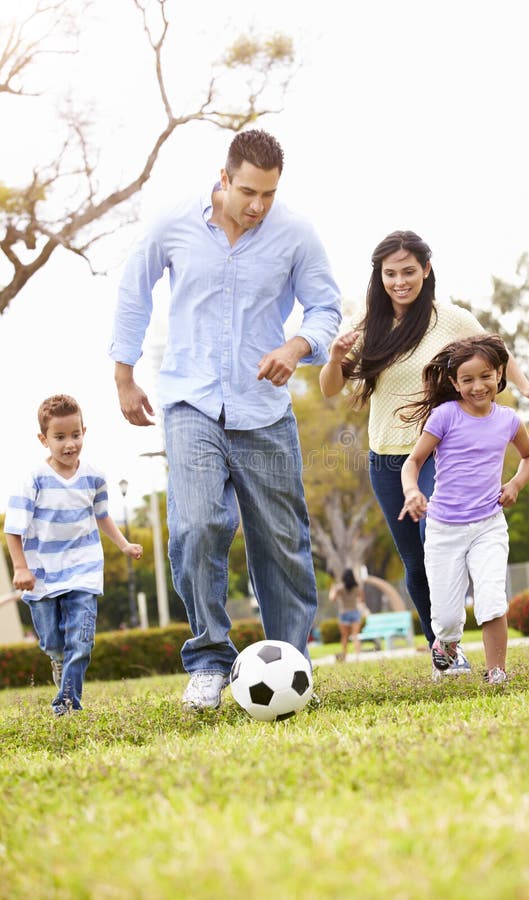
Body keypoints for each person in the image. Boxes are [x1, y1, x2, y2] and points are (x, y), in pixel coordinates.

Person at [109, 129, 341, 710]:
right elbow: (134, 291)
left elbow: (325, 308)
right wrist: (124, 376)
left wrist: (296, 347)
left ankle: (291, 663)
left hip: (262, 409)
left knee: (282, 543)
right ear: (224, 177)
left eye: (269, 194)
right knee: (195, 528)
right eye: (248, 192)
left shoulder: (296, 233)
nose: (258, 205)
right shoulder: (173, 223)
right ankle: (210, 662)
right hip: (190, 401)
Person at [319, 230, 529, 679]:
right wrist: (333, 357)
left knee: (434, 540)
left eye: (409, 271)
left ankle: (465, 637)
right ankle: (442, 649)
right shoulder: (369, 324)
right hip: (386, 458)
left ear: (426, 269)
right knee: (413, 559)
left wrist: (522, 388)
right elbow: (331, 387)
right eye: (390, 274)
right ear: (379, 276)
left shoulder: (451, 319)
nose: (400, 282)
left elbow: (496, 351)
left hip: (436, 452)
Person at [398, 334, 529, 684]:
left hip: (489, 525)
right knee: (446, 618)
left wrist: (515, 485)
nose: (478, 386)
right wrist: (412, 491)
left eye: (486, 376)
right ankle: (446, 643)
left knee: (491, 599)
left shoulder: (508, 420)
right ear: (454, 382)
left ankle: (496, 672)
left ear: (499, 374)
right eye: (468, 379)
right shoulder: (445, 416)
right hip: (444, 529)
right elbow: (413, 462)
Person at [3, 394, 143, 715]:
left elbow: (102, 515)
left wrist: (123, 544)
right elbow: (12, 528)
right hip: (41, 575)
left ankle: (66, 703)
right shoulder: (34, 480)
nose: (70, 444)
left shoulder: (94, 476)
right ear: (44, 439)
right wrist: (21, 568)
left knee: (80, 641)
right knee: (54, 642)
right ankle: (57, 660)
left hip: (84, 570)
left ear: (84, 431)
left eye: (75, 435)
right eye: (60, 437)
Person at [328, 568, 366, 661]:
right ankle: (357, 657)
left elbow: (332, 599)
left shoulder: (340, 588)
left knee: (344, 637)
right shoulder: (357, 588)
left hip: (344, 613)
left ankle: (344, 656)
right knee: (355, 636)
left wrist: (332, 589)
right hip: (355, 612)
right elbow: (361, 600)